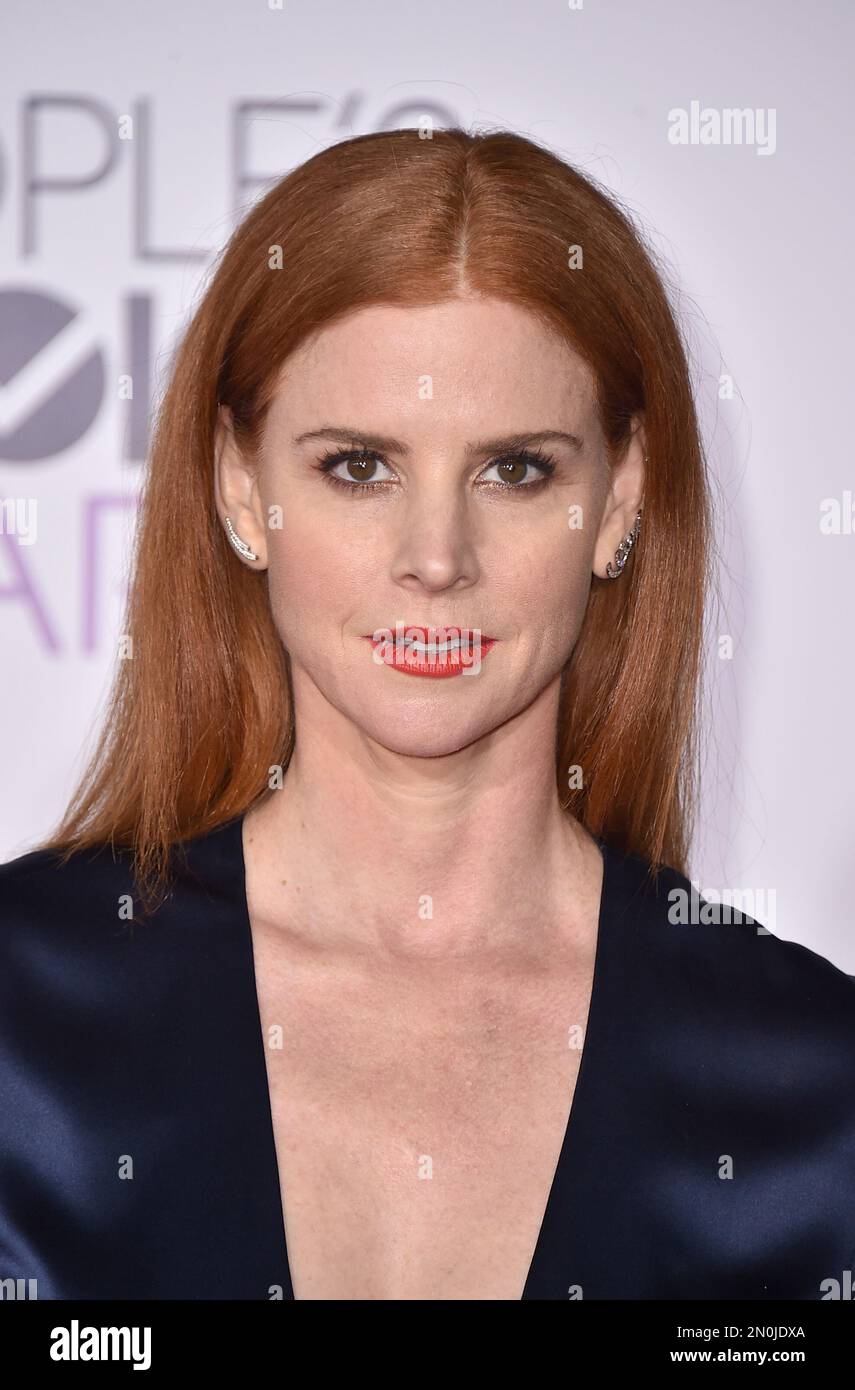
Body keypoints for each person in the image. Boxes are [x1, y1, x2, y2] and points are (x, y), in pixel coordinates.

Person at [1, 127, 853, 1302]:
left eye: (517, 471)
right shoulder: (20, 1006)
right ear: (241, 488)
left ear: (623, 500)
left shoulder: (815, 1075)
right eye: (359, 467)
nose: (436, 558)